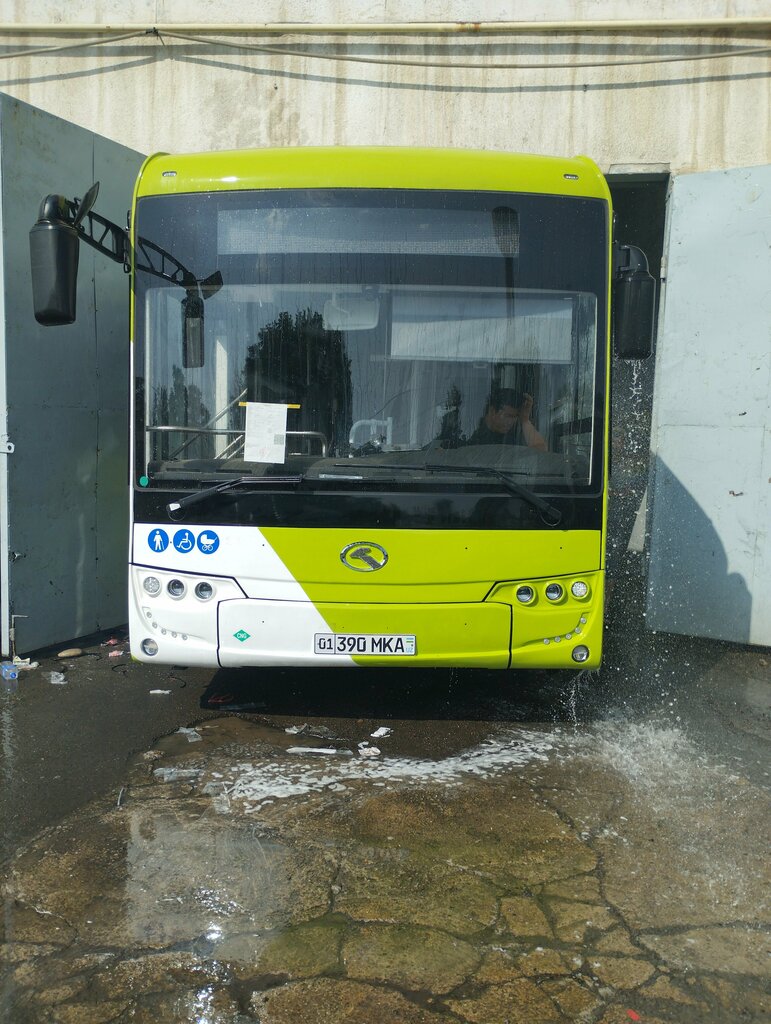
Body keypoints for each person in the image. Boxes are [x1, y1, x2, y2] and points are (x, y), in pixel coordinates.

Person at [469, 387, 547, 451]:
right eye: (508, 416)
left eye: (515, 416)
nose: (511, 422)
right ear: (492, 411)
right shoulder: (476, 441)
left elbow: (541, 452)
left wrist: (525, 420)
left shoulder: (510, 438)